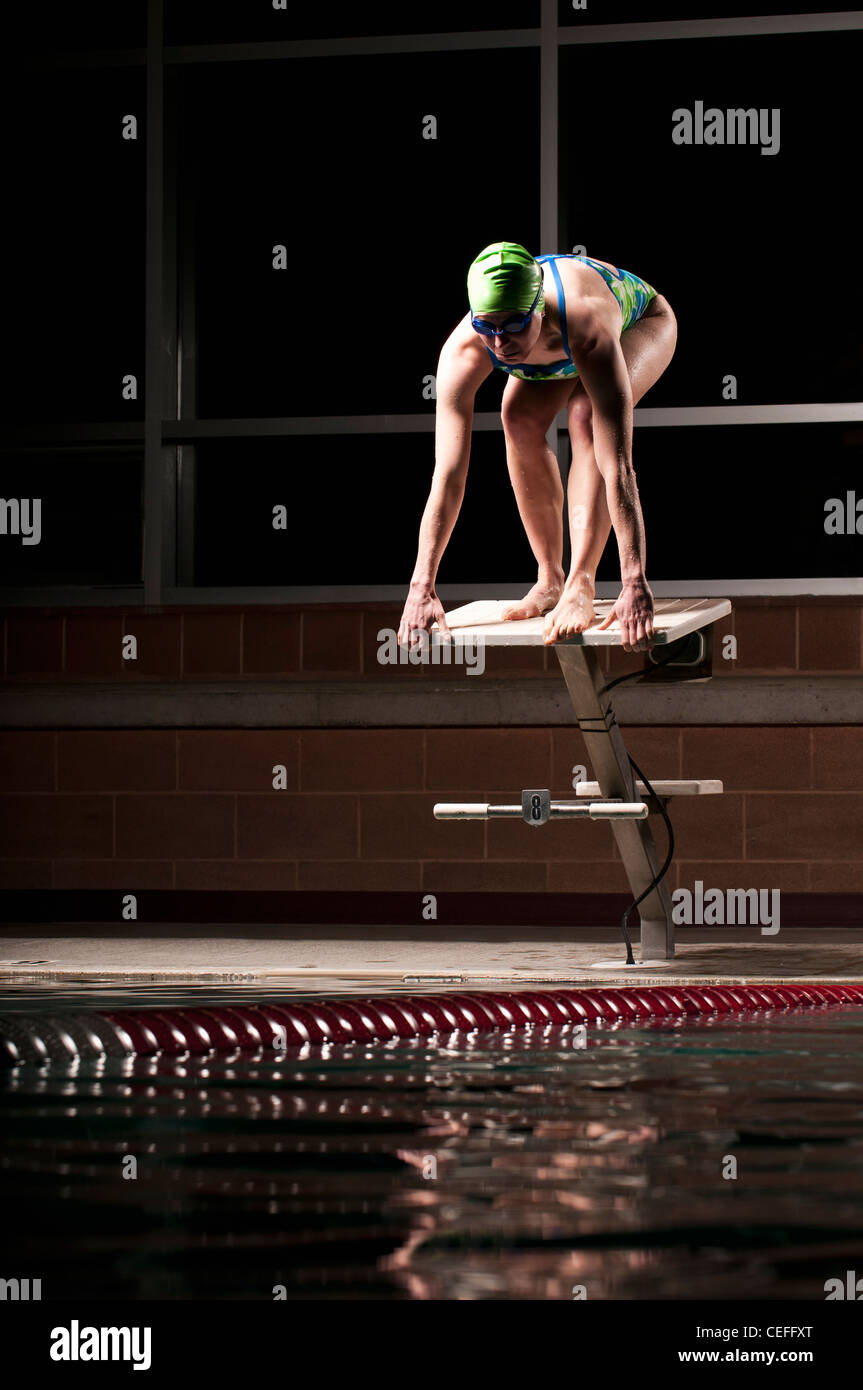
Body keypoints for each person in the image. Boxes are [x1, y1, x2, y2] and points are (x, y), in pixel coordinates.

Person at [397, 241, 677, 654]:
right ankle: (550, 579)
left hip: (641, 322)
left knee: (584, 416)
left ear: (539, 309)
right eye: (487, 327)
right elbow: (448, 474)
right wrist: (421, 585)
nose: (499, 343)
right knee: (517, 418)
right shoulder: (463, 350)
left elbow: (618, 465)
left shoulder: (585, 320)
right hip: (554, 344)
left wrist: (633, 581)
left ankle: (581, 580)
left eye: (511, 326)